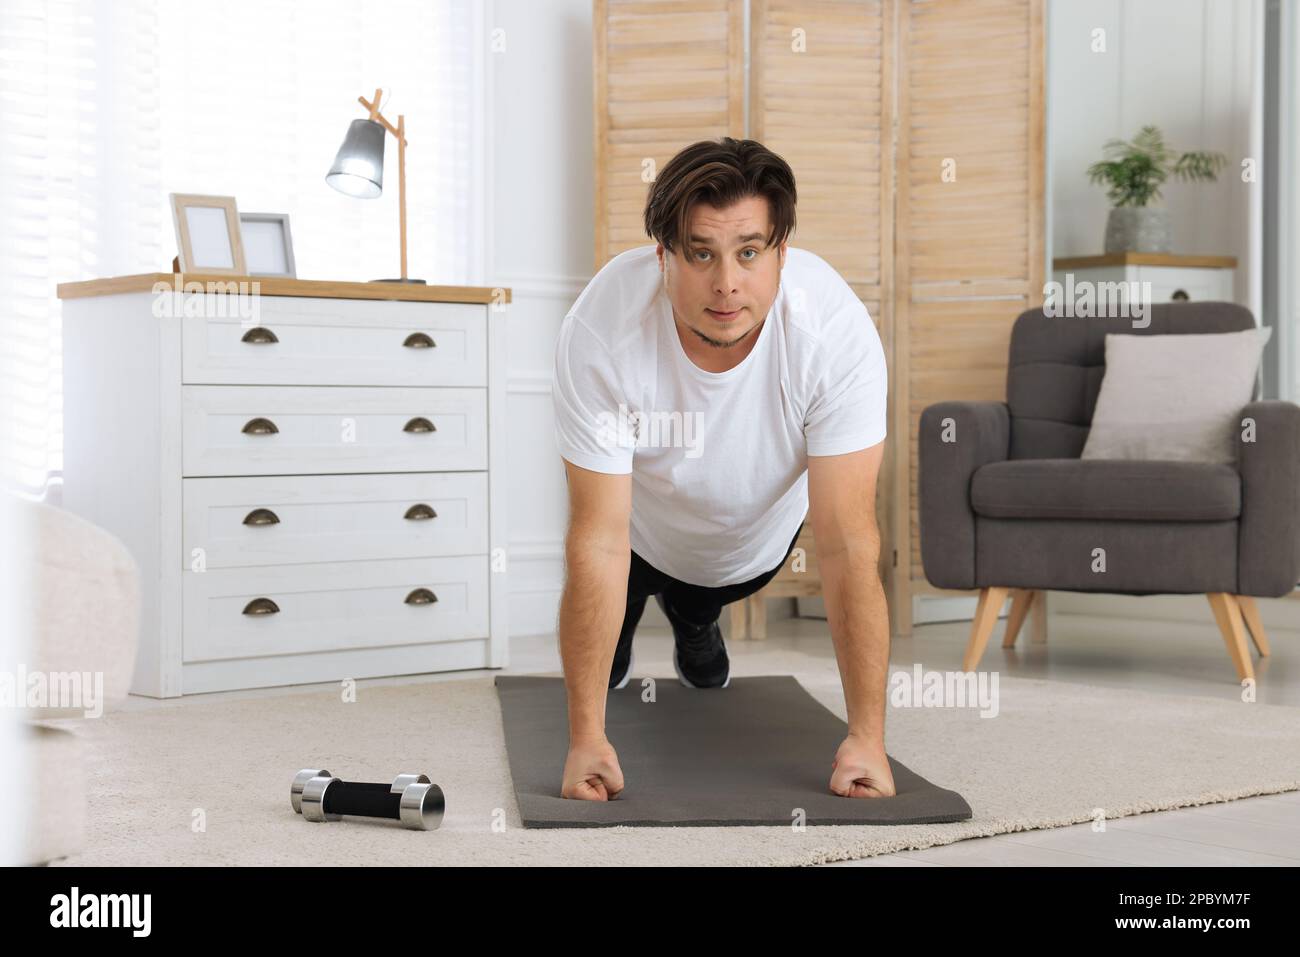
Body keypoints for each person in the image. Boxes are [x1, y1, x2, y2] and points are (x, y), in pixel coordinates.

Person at [552, 137, 896, 802]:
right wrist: (585, 736)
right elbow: (597, 539)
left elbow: (847, 542)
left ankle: (694, 620)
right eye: (701, 253)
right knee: (614, 631)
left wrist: (868, 737)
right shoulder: (602, 330)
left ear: (782, 254)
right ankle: (636, 621)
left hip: (749, 546)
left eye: (749, 252)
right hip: (640, 537)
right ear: (663, 257)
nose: (727, 284)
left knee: (699, 597)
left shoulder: (833, 333)